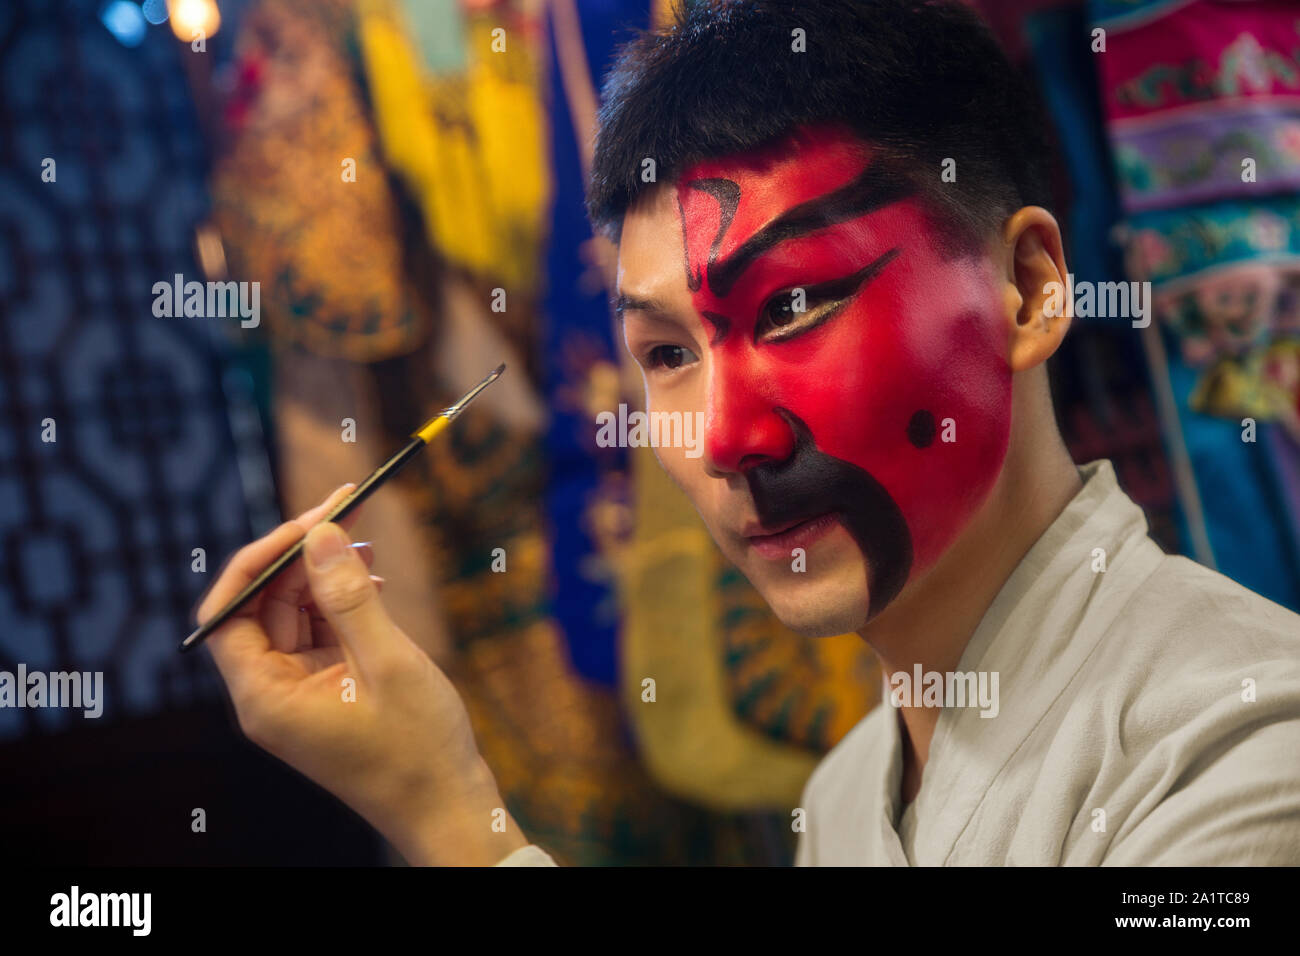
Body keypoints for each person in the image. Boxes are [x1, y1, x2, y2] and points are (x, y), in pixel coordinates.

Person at [198, 0, 1300, 865]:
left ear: (1025, 289)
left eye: (790, 307)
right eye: (667, 354)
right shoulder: (852, 791)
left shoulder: (1242, 750)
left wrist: (452, 817)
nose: (724, 439)